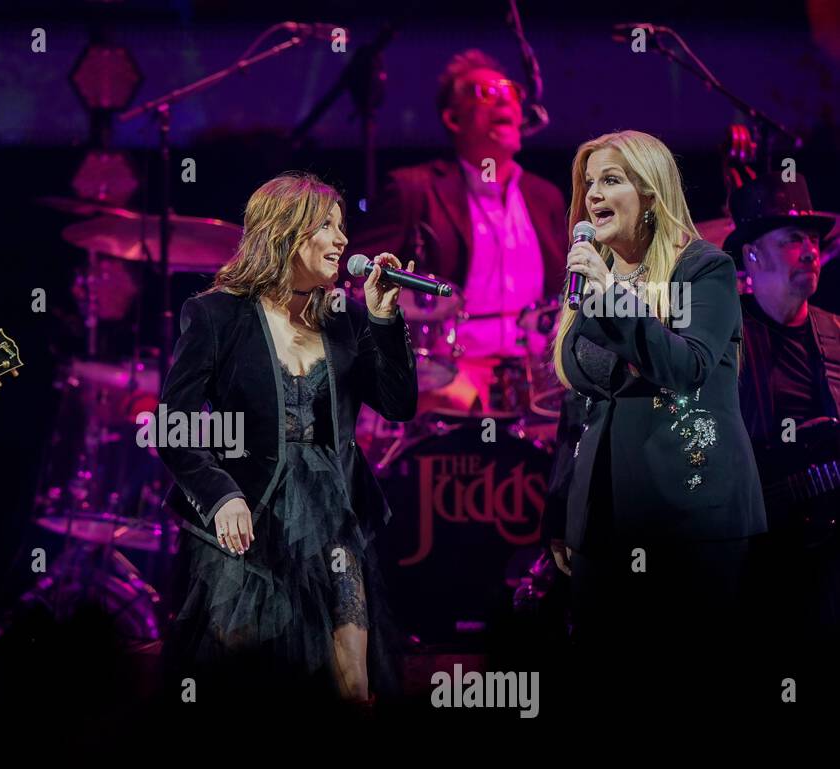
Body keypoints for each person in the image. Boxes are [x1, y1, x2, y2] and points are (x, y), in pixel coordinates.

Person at [157, 171, 417, 707]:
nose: (343, 240)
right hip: (250, 511)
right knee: (246, 679)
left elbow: (399, 405)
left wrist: (384, 317)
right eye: (328, 226)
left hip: (333, 511)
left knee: (352, 680)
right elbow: (172, 426)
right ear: (285, 233)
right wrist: (219, 495)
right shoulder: (217, 315)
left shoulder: (343, 317)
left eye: (342, 227)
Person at [550, 130, 767, 719]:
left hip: (689, 515)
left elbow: (686, 367)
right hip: (602, 520)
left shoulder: (704, 269)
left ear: (650, 193)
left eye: (611, 180)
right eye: (588, 183)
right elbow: (580, 404)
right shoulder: (591, 278)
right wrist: (561, 509)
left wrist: (610, 300)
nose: (593, 195)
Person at [350, 49, 566, 414]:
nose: (505, 101)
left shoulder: (546, 196)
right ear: (453, 118)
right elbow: (354, 279)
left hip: (533, 378)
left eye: (511, 91)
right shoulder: (412, 189)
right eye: (485, 93)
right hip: (446, 378)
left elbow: (564, 292)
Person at [726, 175, 840, 639]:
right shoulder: (720, 339)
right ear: (752, 254)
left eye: (813, 240)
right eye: (793, 240)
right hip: (751, 568)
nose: (811, 252)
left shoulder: (835, 335)